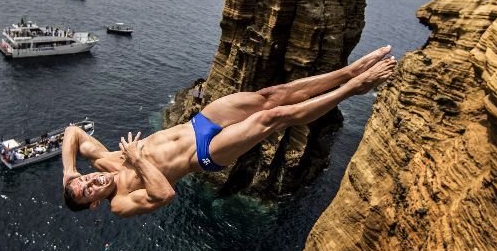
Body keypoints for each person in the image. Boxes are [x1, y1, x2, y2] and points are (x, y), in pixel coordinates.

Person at [62, 46, 397, 218]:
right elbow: (165, 195)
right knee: (275, 117)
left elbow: (73, 132)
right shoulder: (120, 203)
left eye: (84, 181)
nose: (91, 184)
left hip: (197, 124)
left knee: (272, 95)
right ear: (93, 205)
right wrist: (136, 159)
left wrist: (69, 172)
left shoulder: (103, 161)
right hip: (206, 153)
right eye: (87, 192)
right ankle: (355, 87)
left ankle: (348, 71)